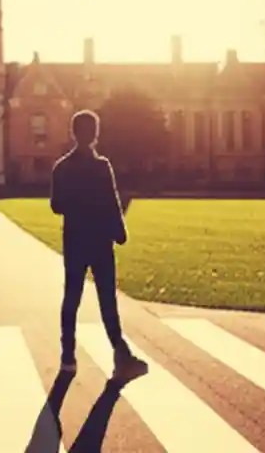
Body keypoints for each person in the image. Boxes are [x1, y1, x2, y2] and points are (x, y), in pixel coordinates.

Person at [51, 109, 149, 379]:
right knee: (107, 300)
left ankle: (68, 356)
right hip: (100, 241)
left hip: (74, 240)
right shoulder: (101, 166)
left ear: (73, 132)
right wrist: (119, 231)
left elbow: (56, 205)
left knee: (72, 297)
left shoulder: (61, 167)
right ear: (94, 133)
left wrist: (77, 203)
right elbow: (112, 201)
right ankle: (121, 355)